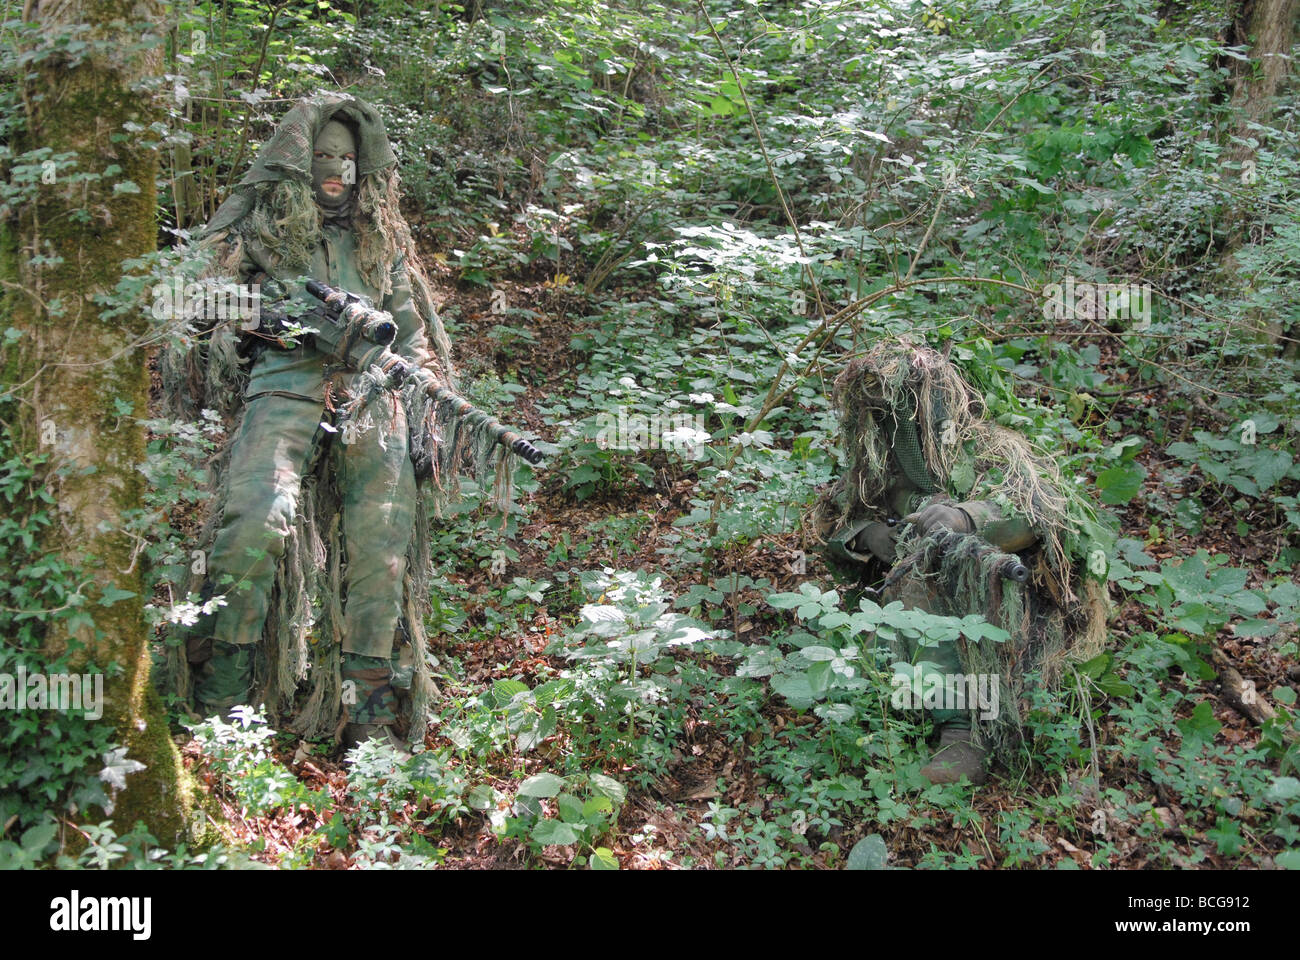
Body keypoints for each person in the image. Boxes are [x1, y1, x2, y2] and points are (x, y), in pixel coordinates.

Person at [162, 92, 463, 751]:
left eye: (348, 160)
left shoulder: (382, 236)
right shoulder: (266, 226)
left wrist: (429, 407)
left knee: (382, 548)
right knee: (251, 525)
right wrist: (281, 324)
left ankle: (368, 715)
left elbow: (409, 331)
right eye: (324, 156)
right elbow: (208, 297)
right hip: (284, 383)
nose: (337, 170)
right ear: (302, 161)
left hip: (372, 392)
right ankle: (224, 708)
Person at [816, 340, 1111, 784]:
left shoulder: (991, 448)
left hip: (1003, 597)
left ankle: (965, 729)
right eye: (881, 415)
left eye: (903, 409)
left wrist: (965, 517)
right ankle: (903, 705)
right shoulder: (877, 468)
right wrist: (866, 535)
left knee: (938, 580)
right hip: (897, 608)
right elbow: (832, 519)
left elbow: (1038, 513)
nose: (896, 426)